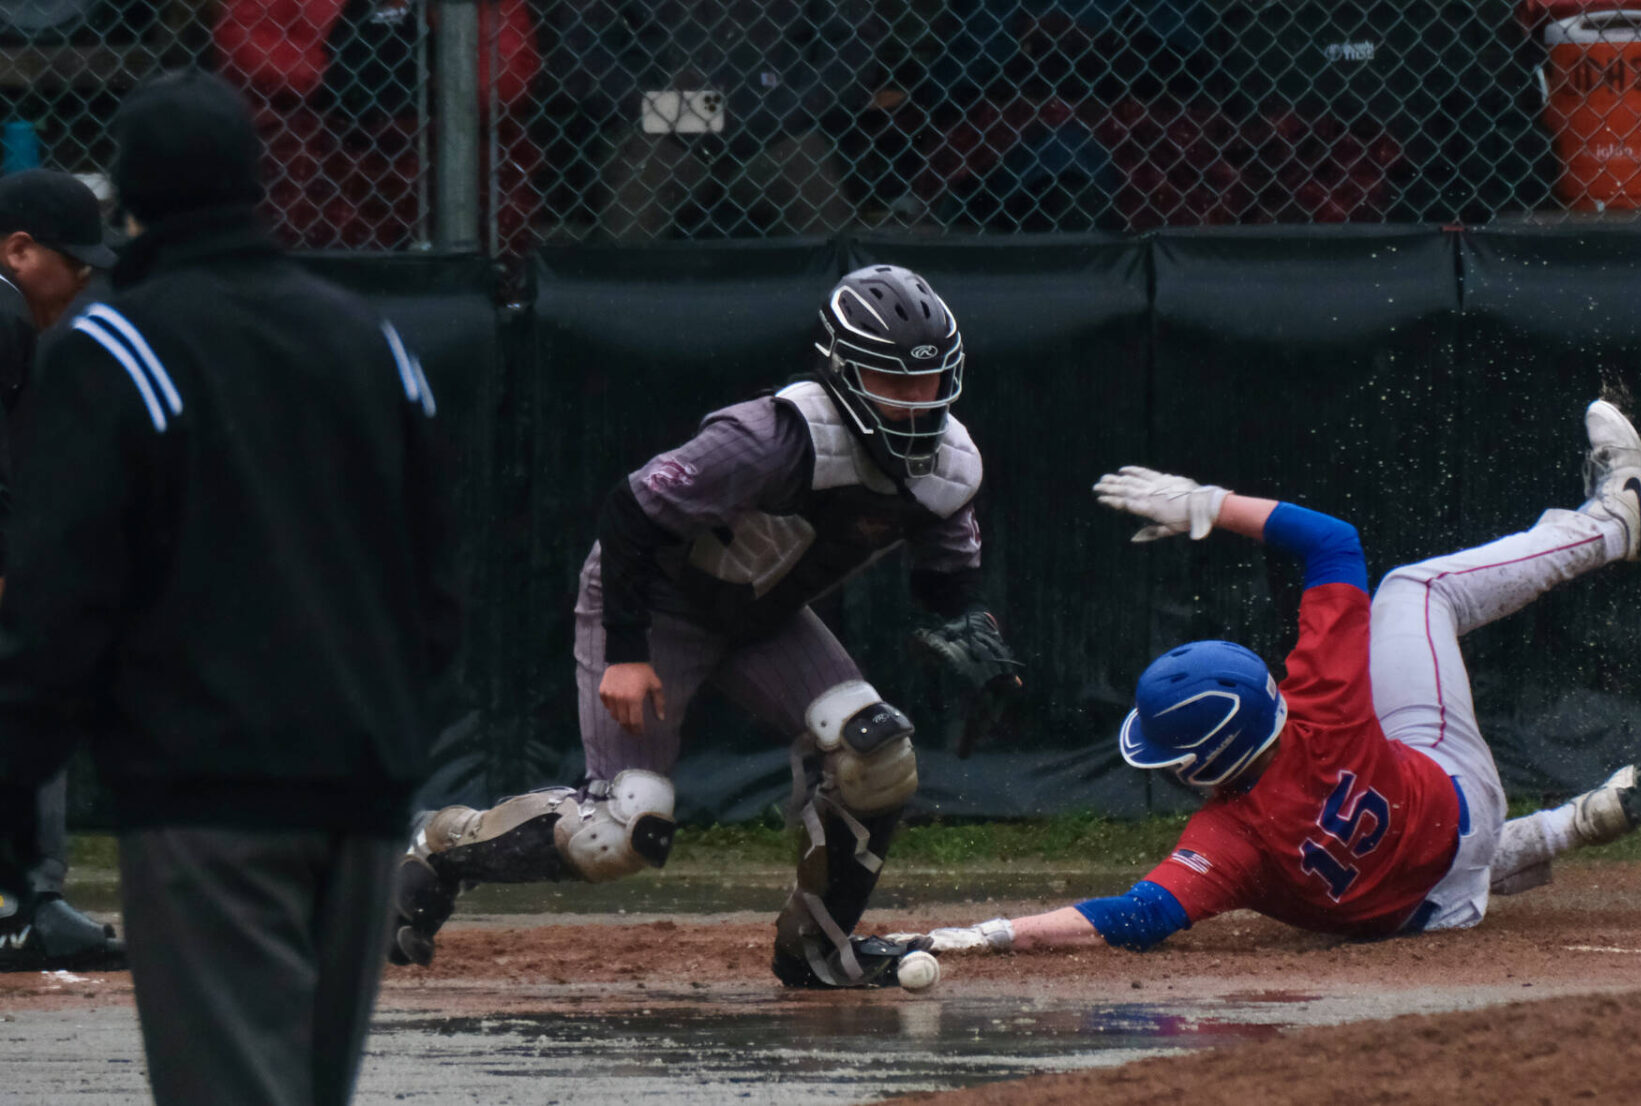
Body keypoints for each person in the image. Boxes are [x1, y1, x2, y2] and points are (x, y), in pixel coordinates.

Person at [0, 69, 458, 1106]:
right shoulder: (367, 336)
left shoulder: (113, 346)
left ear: (129, 200)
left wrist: (19, 781)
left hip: (207, 788)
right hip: (360, 785)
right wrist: (397, 737)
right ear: (257, 184)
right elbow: (435, 572)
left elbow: (62, 597)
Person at [390, 263, 1019, 987]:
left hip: (763, 616)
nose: (918, 403)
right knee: (621, 830)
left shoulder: (948, 466)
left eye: (930, 381)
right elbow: (632, 514)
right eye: (894, 383)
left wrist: (969, 628)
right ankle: (442, 843)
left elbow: (945, 578)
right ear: (844, 372)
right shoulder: (770, 438)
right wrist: (627, 651)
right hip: (660, 605)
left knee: (878, 757)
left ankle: (817, 951)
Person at [896, 398, 1641, 956]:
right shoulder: (1323, 704)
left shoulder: (1232, 840)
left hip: (1430, 912)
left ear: (1204, 765)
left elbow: (1134, 916)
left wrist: (993, 934)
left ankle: (1566, 828)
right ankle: (1612, 525)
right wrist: (1209, 503)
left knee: (1414, 849)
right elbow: (1334, 542)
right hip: (1456, 800)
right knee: (1414, 589)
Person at [0, 168, 125, 973]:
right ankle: (27, 909)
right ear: (18, 250)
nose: (81, 280)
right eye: (70, 261)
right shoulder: (4, 310)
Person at [530, 0, 878, 239]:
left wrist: (785, 110)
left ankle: (842, 319)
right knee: (634, 205)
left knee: (817, 198)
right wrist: (665, 108)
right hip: (660, 131)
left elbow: (854, 44)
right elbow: (581, 51)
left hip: (775, 130)